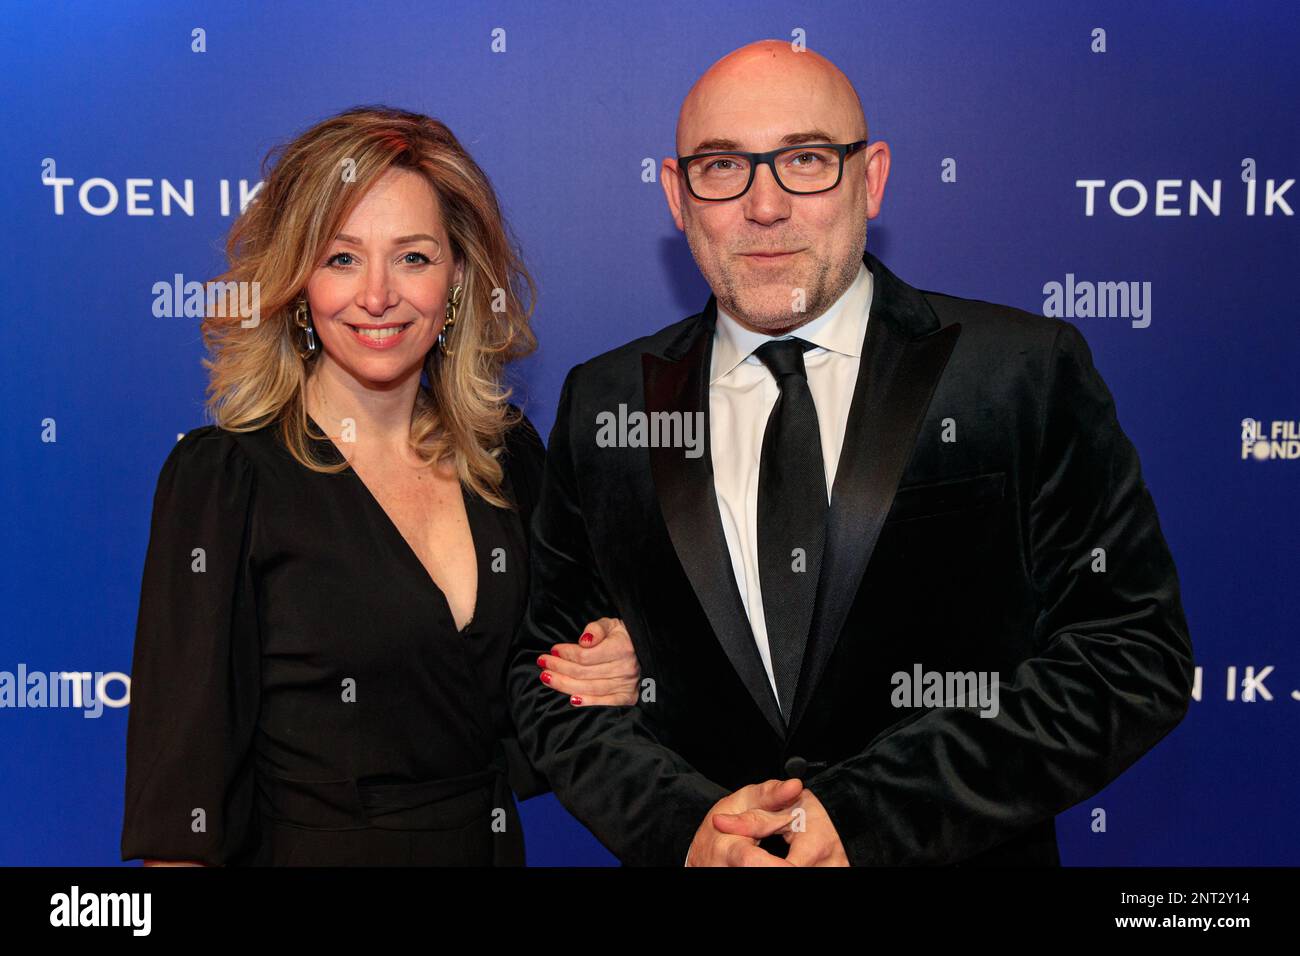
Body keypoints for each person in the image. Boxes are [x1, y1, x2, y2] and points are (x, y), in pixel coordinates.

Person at [508, 40, 1194, 866]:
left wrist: (863, 816)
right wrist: (687, 830)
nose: (764, 206)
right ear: (676, 194)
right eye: (722, 167)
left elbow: (1132, 655)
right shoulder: (606, 401)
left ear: (871, 178)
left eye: (804, 160)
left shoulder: (1018, 373)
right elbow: (547, 684)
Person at [121, 106, 641, 867]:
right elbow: (183, 813)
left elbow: (557, 685)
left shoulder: (508, 461)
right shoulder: (226, 481)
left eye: (413, 258)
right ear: (297, 280)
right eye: (340, 258)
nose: (376, 295)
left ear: (458, 278)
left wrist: (617, 660)